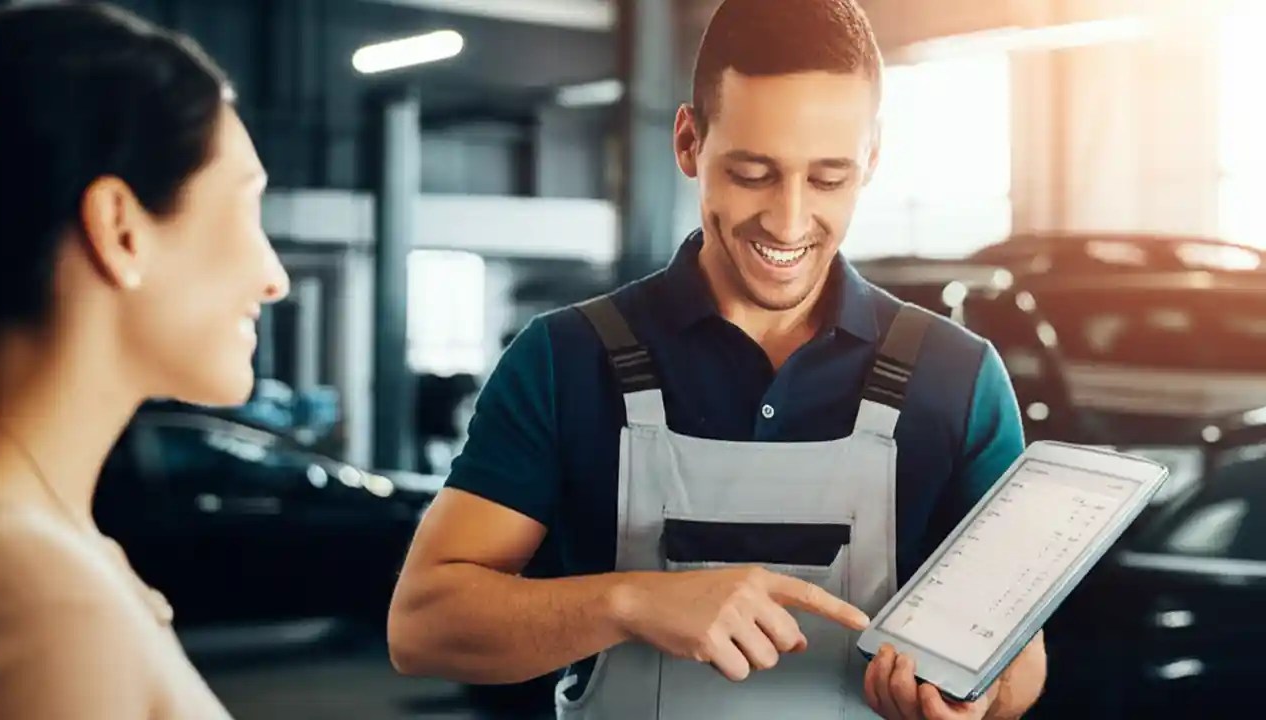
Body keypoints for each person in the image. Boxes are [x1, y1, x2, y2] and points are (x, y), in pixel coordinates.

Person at [388, 0, 1047, 717]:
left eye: (828, 179)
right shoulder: (565, 360)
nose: (790, 221)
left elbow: (1019, 667)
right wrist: (633, 600)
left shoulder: (956, 378)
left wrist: (972, 702)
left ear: (873, 158)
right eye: (753, 173)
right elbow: (424, 625)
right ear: (688, 142)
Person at [0, 3, 288, 718]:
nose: (275, 276)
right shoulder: (39, 590)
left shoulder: (51, 550)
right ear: (121, 230)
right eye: (248, 209)